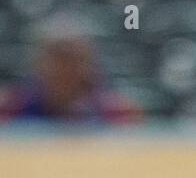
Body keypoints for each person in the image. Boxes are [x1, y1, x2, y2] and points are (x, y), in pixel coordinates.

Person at [0, 18, 139, 124]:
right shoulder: (11, 108)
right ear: (39, 63)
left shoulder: (117, 112)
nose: (66, 68)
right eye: (58, 57)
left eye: (75, 58)